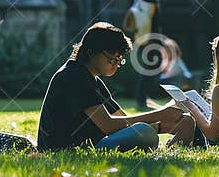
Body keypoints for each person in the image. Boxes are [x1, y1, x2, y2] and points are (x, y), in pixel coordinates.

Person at [37, 22, 195, 152]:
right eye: (112, 59)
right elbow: (109, 125)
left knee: (181, 123)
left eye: (119, 61)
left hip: (92, 143)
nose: (116, 65)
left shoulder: (92, 79)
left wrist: (167, 124)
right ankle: (164, 152)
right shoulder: (74, 76)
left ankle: (171, 152)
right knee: (144, 132)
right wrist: (160, 114)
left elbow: (121, 118)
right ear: (91, 52)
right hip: (68, 148)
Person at [133, 0, 165, 110]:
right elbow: (145, 20)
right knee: (149, 68)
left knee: (150, 68)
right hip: (150, 38)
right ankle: (142, 101)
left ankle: (144, 99)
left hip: (150, 37)